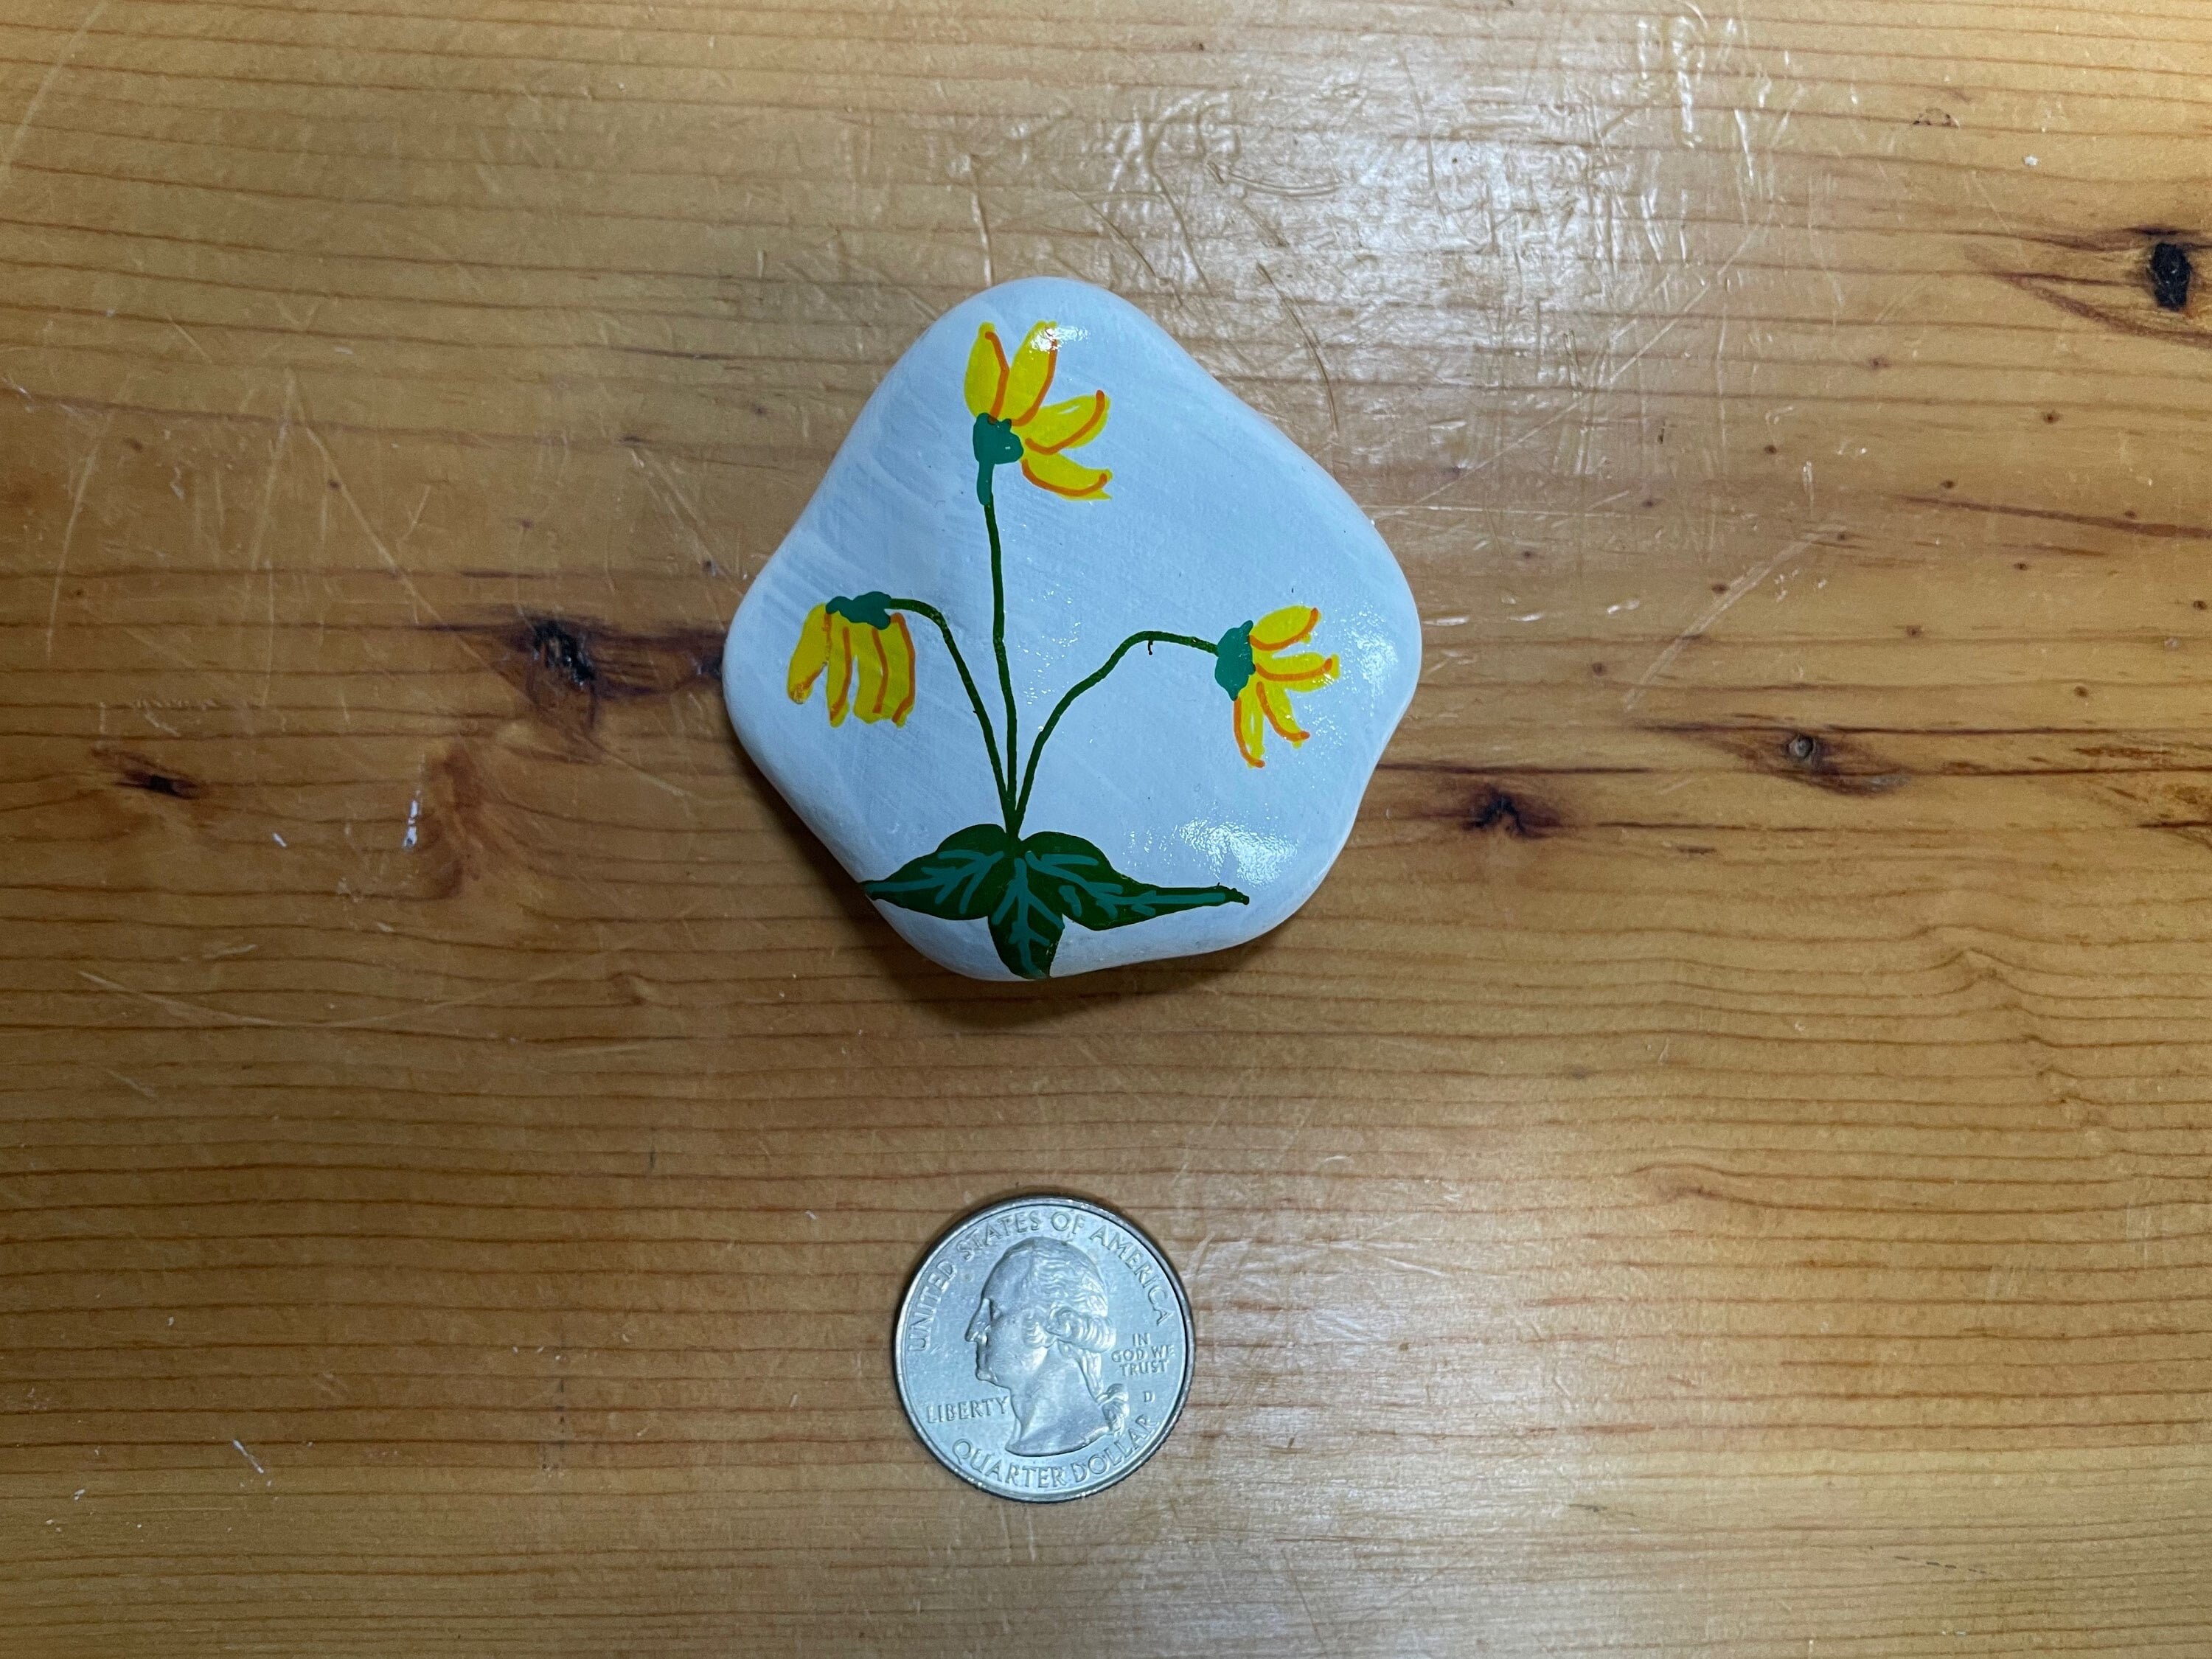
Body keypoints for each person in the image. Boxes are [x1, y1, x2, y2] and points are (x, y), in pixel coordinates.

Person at [965, 1239, 1130, 1456]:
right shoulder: (1033, 1438)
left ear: (1044, 1325)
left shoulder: (1066, 1434)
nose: (974, 1332)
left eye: (995, 1311)